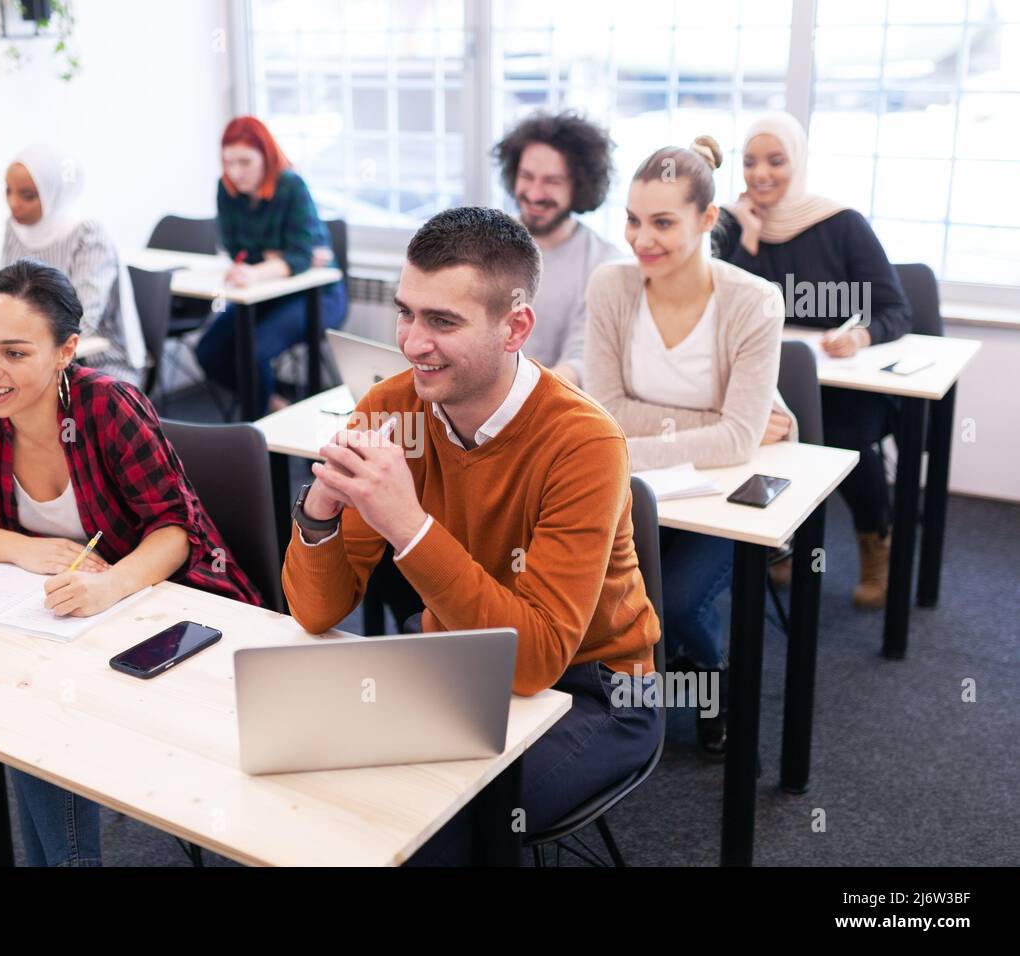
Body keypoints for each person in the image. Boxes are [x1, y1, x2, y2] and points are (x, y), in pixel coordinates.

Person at [281, 206, 661, 864]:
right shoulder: (394, 406)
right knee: (314, 788)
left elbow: (536, 660)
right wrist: (320, 507)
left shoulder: (584, 442)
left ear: (515, 327)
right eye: (406, 312)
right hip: (454, 668)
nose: (410, 342)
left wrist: (407, 523)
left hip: (597, 689)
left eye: (441, 322)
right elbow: (317, 610)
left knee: (427, 829)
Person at [0, 259, 260, 866]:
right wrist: (23, 548)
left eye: (15, 353)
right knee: (24, 699)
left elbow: (177, 531)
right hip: (56, 620)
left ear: (66, 350)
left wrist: (110, 587)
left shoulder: (108, 406)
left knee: (34, 711)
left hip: (162, 610)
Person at [585, 137, 792, 755]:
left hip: (729, 492)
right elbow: (605, 411)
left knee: (669, 603)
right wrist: (708, 418)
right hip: (648, 485)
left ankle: (712, 683)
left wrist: (633, 433)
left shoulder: (754, 301)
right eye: (632, 220)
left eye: (663, 223)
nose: (641, 238)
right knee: (609, 594)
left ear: (707, 221)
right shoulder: (611, 287)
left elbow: (736, 442)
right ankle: (668, 688)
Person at [715, 111, 912, 609]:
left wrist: (863, 335)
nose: (761, 174)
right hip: (768, 378)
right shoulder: (735, 228)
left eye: (775, 161)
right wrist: (749, 239)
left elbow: (895, 308)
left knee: (842, 439)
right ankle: (778, 545)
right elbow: (722, 305)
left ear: (796, 162)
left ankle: (875, 542)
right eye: (750, 162)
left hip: (846, 386)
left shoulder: (841, 223)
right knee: (752, 434)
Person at [194, 116, 348, 416]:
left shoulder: (291, 185)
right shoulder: (226, 190)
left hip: (318, 296)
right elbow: (234, 247)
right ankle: (274, 405)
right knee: (208, 351)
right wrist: (280, 258)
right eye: (228, 162)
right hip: (266, 293)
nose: (235, 172)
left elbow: (301, 255)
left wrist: (261, 267)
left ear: (266, 156)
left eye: (244, 162)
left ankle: (264, 432)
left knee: (254, 351)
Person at [492, 110, 625, 386]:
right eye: (527, 176)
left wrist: (516, 399)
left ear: (578, 187)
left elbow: (583, 361)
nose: (535, 193)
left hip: (550, 409)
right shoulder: (486, 242)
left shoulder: (603, 264)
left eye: (552, 182)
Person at [0, 141, 144, 386]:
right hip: (30, 355)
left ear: (53, 193)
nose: (14, 203)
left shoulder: (87, 234)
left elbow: (83, 322)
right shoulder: (15, 228)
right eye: (8, 191)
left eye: (27, 195)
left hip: (96, 360)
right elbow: (6, 296)